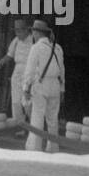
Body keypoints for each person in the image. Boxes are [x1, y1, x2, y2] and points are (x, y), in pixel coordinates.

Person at [21, 18, 65, 153]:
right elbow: (62, 71)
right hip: (55, 85)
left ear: (37, 33)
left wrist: (26, 88)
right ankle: (53, 148)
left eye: (33, 32)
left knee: (37, 117)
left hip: (41, 84)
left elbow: (29, 70)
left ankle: (35, 148)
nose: (33, 35)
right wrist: (62, 89)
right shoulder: (58, 48)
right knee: (53, 119)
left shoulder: (36, 48)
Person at [0, 19, 33, 121]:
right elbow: (10, 55)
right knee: (16, 101)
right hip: (17, 71)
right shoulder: (16, 41)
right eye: (16, 31)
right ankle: (19, 124)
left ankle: (34, 124)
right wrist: (1, 62)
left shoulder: (33, 40)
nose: (18, 34)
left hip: (29, 71)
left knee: (27, 102)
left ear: (26, 30)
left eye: (20, 31)